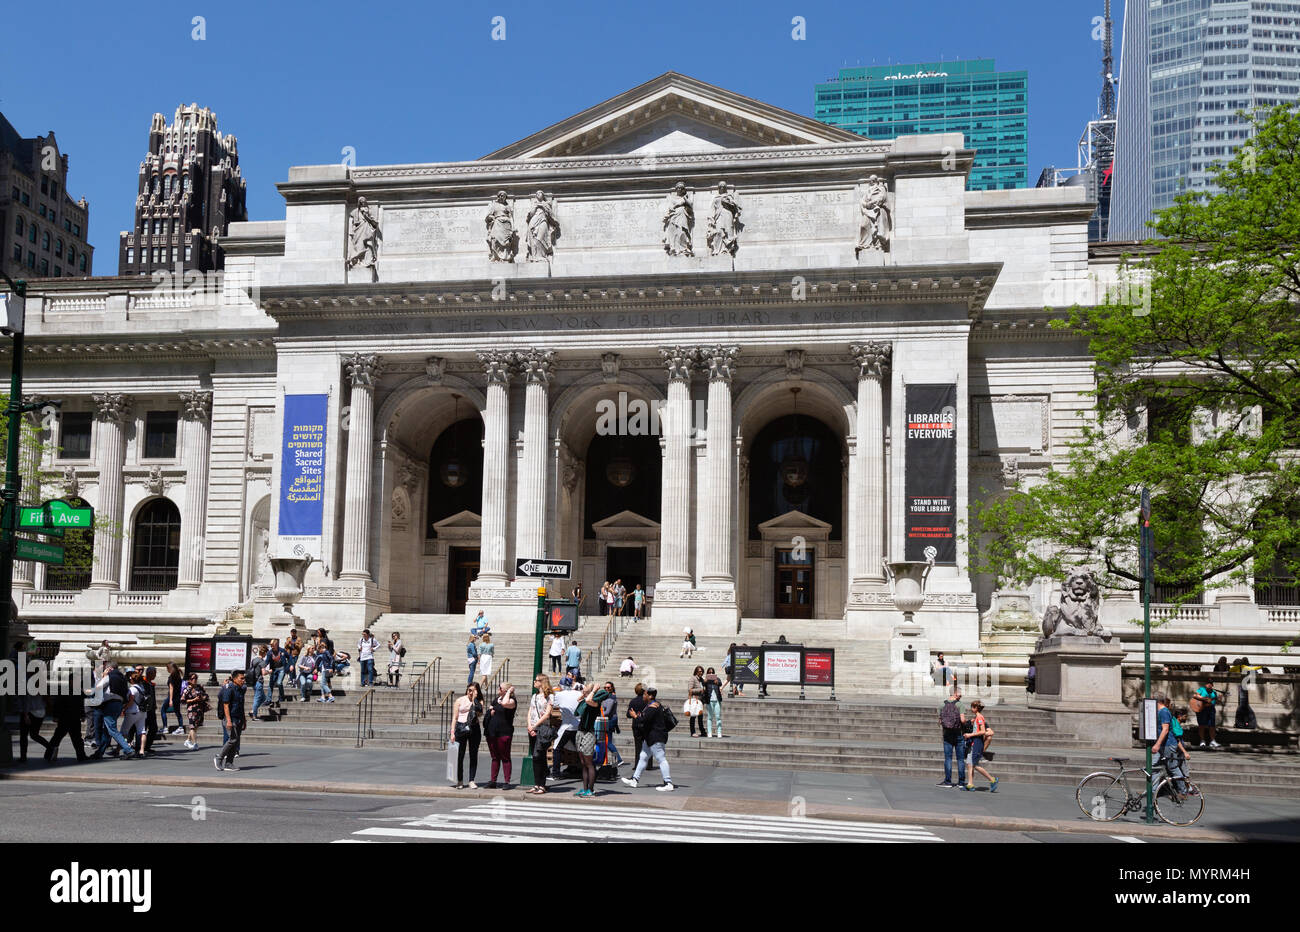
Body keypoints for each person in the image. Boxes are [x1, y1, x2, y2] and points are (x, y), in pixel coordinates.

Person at [621, 686, 674, 791]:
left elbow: (643, 720)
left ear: (650, 696)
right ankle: (635, 780)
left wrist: (635, 716)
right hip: (650, 737)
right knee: (643, 757)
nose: (643, 696)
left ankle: (668, 783)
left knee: (661, 758)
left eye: (645, 694)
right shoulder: (654, 705)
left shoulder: (653, 707)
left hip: (656, 736)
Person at [88, 660, 135, 760]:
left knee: (112, 729)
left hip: (110, 704)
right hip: (119, 704)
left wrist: (103, 677)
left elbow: (98, 687)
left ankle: (128, 749)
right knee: (107, 731)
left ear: (109, 668)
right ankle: (99, 752)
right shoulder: (122, 678)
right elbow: (127, 694)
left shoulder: (110, 676)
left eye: (106, 669)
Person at [573, 681, 608, 797]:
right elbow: (580, 702)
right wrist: (584, 694)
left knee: (589, 763)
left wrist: (592, 691)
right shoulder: (586, 699)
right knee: (583, 763)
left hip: (588, 733)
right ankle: (584, 788)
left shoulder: (595, 702)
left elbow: (589, 701)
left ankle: (591, 789)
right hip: (580, 731)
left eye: (587, 686)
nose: (584, 687)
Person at [44, 673, 88, 763]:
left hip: (75, 718)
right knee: (57, 737)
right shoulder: (64, 691)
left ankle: (81, 756)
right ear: (71, 681)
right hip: (64, 718)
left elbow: (81, 704)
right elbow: (57, 704)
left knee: (77, 739)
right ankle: (48, 755)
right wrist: (55, 716)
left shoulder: (79, 691)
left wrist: (82, 715)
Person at [1153, 695, 1192, 795]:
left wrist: (1157, 744)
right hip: (1163, 745)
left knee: (1173, 767)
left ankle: (1183, 791)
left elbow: (1165, 729)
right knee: (1153, 767)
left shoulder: (1164, 711)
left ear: (1157, 701)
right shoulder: (1160, 711)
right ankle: (1152, 791)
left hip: (1168, 744)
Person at [451, 682, 484, 788]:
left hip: (473, 727)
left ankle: (471, 780)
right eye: (469, 690)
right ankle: (460, 780)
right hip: (461, 727)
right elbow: (455, 718)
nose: (470, 692)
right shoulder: (459, 700)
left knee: (473, 755)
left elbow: (479, 714)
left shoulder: (479, 702)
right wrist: (452, 732)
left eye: (473, 690)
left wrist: (474, 700)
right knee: (460, 756)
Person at [484, 681, 517, 788]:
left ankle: (507, 781)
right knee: (495, 757)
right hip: (492, 732)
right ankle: (493, 780)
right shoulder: (495, 700)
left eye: (500, 688)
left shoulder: (512, 701)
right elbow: (489, 712)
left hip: (504, 732)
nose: (498, 690)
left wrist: (509, 693)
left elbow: (505, 704)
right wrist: (490, 712)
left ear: (506, 691)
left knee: (505, 757)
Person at [526, 675, 555, 795]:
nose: (534, 682)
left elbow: (547, 714)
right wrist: (529, 725)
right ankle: (536, 783)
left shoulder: (549, 696)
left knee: (541, 757)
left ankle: (542, 784)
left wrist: (535, 726)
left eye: (536, 680)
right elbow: (530, 711)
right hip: (533, 728)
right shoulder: (534, 696)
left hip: (542, 729)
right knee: (535, 757)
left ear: (542, 682)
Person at [214, 670, 247, 772]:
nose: (243, 680)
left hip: (238, 718)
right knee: (232, 739)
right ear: (234, 679)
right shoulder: (229, 689)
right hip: (230, 718)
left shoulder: (241, 689)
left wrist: (244, 720)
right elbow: (226, 705)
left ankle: (229, 763)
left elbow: (241, 706)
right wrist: (228, 721)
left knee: (235, 741)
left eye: (244, 678)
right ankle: (219, 758)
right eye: (241, 678)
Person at [963, 700, 998, 792]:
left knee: (974, 764)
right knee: (969, 763)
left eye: (972, 707)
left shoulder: (979, 718)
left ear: (976, 708)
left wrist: (970, 735)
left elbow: (982, 731)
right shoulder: (977, 717)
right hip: (974, 742)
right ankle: (970, 784)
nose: (971, 709)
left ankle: (992, 779)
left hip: (977, 742)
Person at [937, 684, 966, 788]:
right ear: (955, 693)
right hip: (958, 734)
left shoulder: (942, 705)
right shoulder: (960, 705)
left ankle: (948, 781)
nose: (961, 696)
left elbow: (940, 721)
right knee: (960, 759)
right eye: (960, 694)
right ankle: (961, 782)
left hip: (947, 734)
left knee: (948, 758)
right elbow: (962, 720)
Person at [17, 692, 49, 763]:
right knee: (34, 735)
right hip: (41, 711)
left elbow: (27, 700)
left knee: (23, 735)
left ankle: (23, 758)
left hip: (29, 712)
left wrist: (26, 715)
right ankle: (50, 748)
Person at [599, 681, 624, 767]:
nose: (606, 689)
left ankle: (618, 759)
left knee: (608, 742)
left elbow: (607, 712)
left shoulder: (611, 698)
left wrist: (599, 714)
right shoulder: (608, 696)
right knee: (608, 741)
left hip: (610, 720)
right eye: (605, 687)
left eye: (608, 687)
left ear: (612, 688)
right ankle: (615, 760)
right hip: (611, 720)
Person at [182, 673, 209, 749]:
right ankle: (195, 744)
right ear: (189, 680)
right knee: (192, 727)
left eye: (195, 678)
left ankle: (187, 740)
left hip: (200, 709)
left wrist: (203, 698)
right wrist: (194, 700)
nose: (194, 680)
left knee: (196, 726)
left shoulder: (199, 687)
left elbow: (206, 696)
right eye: (192, 679)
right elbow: (183, 700)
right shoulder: (187, 689)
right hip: (192, 709)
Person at [1193, 679, 1222, 748]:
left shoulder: (1214, 692)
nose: (1209, 684)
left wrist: (1219, 700)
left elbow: (1215, 701)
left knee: (1212, 725)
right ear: (1206, 684)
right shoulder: (1201, 689)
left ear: (1212, 685)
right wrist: (1204, 699)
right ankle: (1202, 741)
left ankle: (1212, 741)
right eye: (1208, 683)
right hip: (1202, 709)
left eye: (1210, 683)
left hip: (1211, 709)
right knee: (1201, 725)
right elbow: (1195, 696)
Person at [626, 682, 648, 763]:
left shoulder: (633, 701)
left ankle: (637, 763)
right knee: (648, 745)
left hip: (636, 725)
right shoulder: (647, 701)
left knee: (638, 746)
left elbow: (628, 714)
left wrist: (634, 714)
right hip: (646, 725)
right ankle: (648, 764)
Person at [161, 661, 184, 735]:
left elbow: (171, 689)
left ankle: (165, 727)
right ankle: (181, 727)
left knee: (163, 710)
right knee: (178, 712)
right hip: (178, 697)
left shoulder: (171, 677)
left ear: (169, 668)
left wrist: (170, 700)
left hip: (172, 697)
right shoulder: (178, 676)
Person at [249, 646, 270, 721]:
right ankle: (254, 715)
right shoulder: (262, 661)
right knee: (257, 699)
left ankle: (253, 711)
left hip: (254, 681)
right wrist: (269, 671)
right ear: (264, 653)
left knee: (263, 698)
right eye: (266, 653)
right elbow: (263, 673)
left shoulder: (254, 660)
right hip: (259, 682)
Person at [702, 667, 725, 738]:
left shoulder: (717, 679)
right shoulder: (706, 681)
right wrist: (705, 681)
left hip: (717, 700)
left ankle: (719, 732)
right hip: (709, 701)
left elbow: (720, 684)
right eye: (709, 673)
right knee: (710, 717)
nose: (711, 674)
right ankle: (709, 732)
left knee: (718, 717)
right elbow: (702, 684)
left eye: (712, 672)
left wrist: (717, 682)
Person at [686, 666, 706, 737]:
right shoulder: (693, 679)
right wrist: (700, 690)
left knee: (700, 717)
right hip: (695, 700)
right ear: (696, 671)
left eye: (702, 671)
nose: (701, 673)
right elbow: (690, 690)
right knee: (693, 716)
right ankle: (692, 732)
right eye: (699, 671)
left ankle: (702, 731)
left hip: (700, 701)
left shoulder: (702, 680)